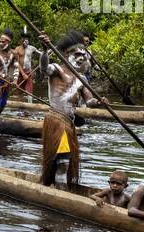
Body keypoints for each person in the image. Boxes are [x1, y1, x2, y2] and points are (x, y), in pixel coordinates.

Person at [38, 30, 107, 188]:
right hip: (56, 121)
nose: (80, 58)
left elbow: (89, 101)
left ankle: (55, 186)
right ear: (66, 54)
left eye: (83, 55)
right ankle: (61, 193)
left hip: (70, 124)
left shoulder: (82, 79)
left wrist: (100, 102)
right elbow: (43, 68)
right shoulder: (57, 70)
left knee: (65, 163)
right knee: (63, 162)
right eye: (76, 54)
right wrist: (43, 50)